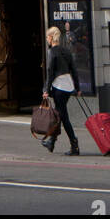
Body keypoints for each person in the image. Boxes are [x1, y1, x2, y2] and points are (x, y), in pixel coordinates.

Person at [41, 25, 80, 155]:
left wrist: (46, 89)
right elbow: (73, 69)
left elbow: (50, 72)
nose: (47, 39)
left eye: (47, 37)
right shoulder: (66, 50)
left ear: (51, 37)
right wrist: (77, 88)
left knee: (63, 116)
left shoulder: (52, 52)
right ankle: (51, 142)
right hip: (68, 86)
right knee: (59, 115)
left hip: (59, 87)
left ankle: (74, 145)